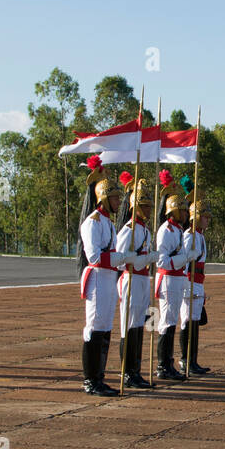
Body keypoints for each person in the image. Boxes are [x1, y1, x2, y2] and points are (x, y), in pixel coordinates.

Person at [79, 155, 125, 395]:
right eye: (115, 197)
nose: (119, 201)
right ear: (104, 199)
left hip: (109, 279)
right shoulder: (93, 222)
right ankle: (90, 380)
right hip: (98, 278)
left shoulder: (108, 222)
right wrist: (122, 258)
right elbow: (95, 257)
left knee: (106, 327)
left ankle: (100, 376)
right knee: (95, 327)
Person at [115, 171, 160, 389]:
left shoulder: (144, 229)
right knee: (130, 325)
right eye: (145, 205)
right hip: (131, 278)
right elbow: (122, 259)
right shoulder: (129, 229)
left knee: (142, 324)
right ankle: (127, 372)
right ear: (135, 207)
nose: (149, 209)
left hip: (143, 279)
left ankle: (136, 369)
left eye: (150, 205)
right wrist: (146, 258)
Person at [153, 170, 190, 381]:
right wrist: (183, 259)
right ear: (174, 212)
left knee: (172, 321)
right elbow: (162, 260)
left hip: (176, 278)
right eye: (183, 211)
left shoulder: (177, 230)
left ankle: (168, 363)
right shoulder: (166, 230)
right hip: (167, 278)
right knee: (166, 322)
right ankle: (162, 365)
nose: (186, 215)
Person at [179, 193, 211, 376]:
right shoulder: (189, 235)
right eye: (205, 217)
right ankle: (185, 360)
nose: (207, 220)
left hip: (198, 282)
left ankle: (193, 360)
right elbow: (184, 261)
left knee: (195, 321)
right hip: (189, 281)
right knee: (187, 321)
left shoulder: (200, 236)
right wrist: (186, 284)